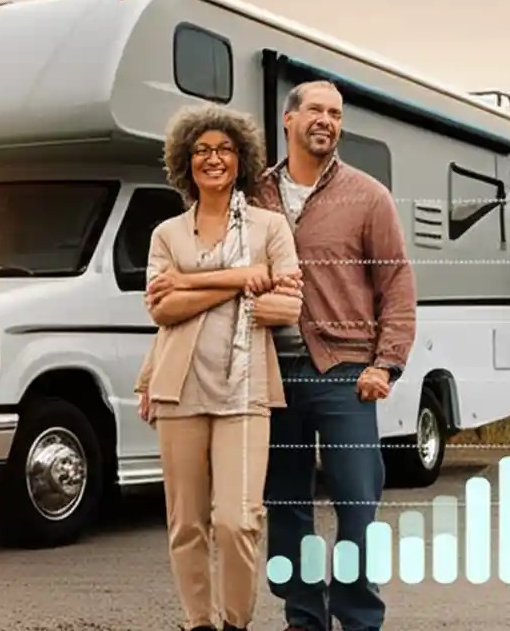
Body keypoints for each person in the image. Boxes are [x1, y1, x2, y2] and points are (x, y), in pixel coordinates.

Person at [251, 80, 417, 631]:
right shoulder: (255, 194)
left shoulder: (367, 196)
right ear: (289, 119)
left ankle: (359, 617)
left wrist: (385, 362)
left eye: (336, 114)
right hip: (272, 373)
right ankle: (304, 618)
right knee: (286, 505)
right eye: (316, 110)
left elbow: (396, 283)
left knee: (356, 502)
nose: (327, 120)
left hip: (345, 372)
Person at [134, 103, 305, 631]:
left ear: (241, 159)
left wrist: (189, 281)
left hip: (246, 390)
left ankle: (234, 623)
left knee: (237, 520)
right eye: (202, 150)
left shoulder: (269, 227)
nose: (213, 158)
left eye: (225, 149)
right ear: (185, 162)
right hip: (178, 388)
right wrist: (240, 279)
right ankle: (198, 623)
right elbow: (162, 309)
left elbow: (287, 305)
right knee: (186, 523)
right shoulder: (167, 234)